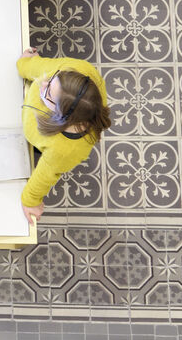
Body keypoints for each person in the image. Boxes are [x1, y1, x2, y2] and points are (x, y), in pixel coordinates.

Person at [14, 46, 111, 223]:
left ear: (62, 115)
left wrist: (30, 200)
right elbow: (43, 68)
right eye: (52, 79)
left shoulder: (64, 150)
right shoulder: (77, 70)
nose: (42, 82)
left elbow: (46, 174)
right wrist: (26, 63)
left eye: (49, 93)